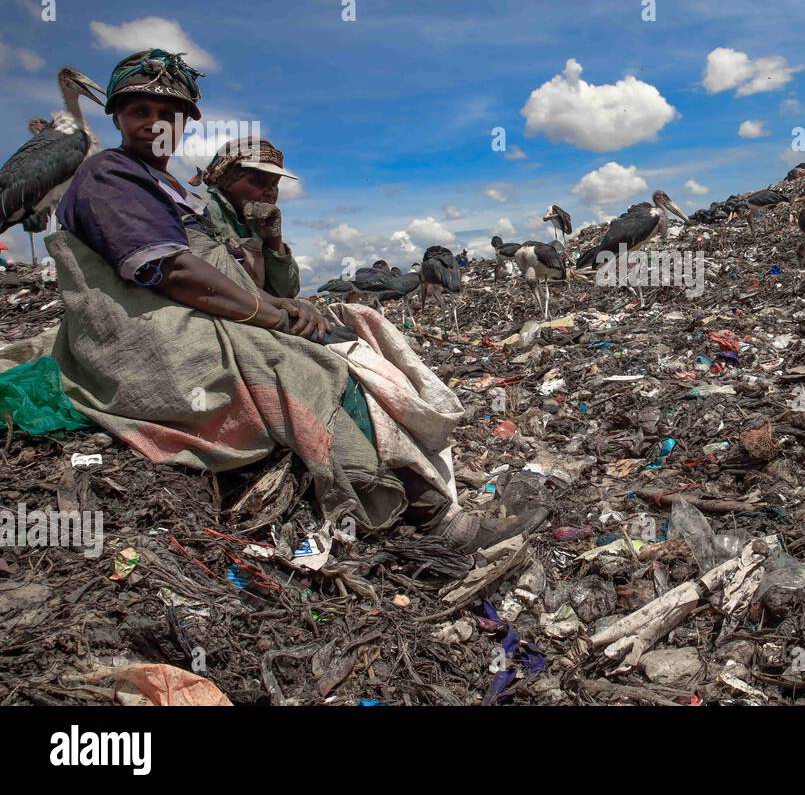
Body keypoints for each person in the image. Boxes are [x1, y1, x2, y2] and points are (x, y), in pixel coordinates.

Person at [48, 49, 509, 549]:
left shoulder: (173, 188)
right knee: (312, 369)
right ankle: (431, 521)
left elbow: (263, 285)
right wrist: (271, 315)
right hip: (152, 329)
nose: (155, 125)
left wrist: (274, 263)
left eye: (170, 116)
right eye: (140, 111)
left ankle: (430, 471)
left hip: (197, 311)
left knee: (349, 337)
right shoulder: (112, 175)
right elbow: (169, 267)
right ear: (116, 115)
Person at [191, 137, 300, 298]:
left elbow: (286, 292)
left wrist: (274, 242)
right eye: (258, 182)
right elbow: (210, 287)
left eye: (274, 184)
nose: (270, 192)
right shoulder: (200, 210)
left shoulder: (258, 224)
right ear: (226, 179)